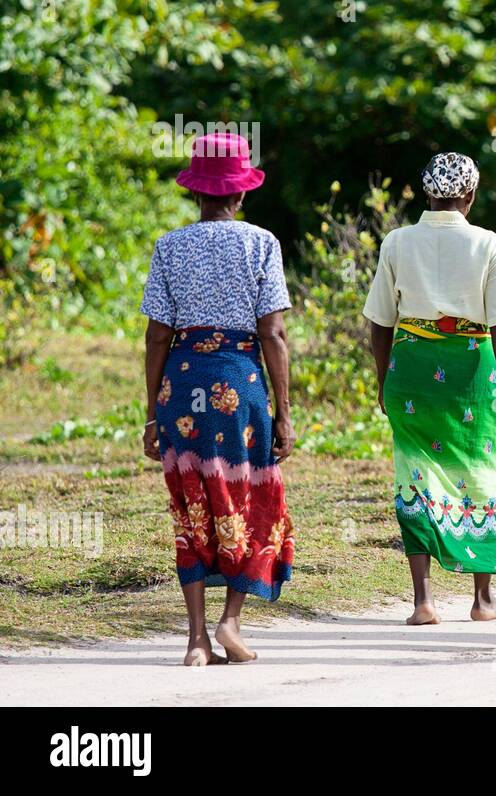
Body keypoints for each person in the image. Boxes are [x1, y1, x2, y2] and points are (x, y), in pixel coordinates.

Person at [141, 132, 295, 666]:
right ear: (241, 193)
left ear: (197, 193)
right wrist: (286, 412)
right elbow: (272, 334)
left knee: (192, 507)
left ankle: (196, 639)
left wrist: (150, 414)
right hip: (240, 386)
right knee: (246, 498)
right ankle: (230, 621)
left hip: (181, 389)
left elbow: (157, 335)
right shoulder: (262, 243)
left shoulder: (169, 245)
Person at [364, 152, 496, 625]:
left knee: (413, 474)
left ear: (427, 193)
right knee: (483, 471)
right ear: (470, 196)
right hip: (472, 371)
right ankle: (482, 598)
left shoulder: (397, 241)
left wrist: (384, 378)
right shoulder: (488, 244)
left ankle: (423, 601)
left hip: (411, 367)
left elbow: (379, 322)